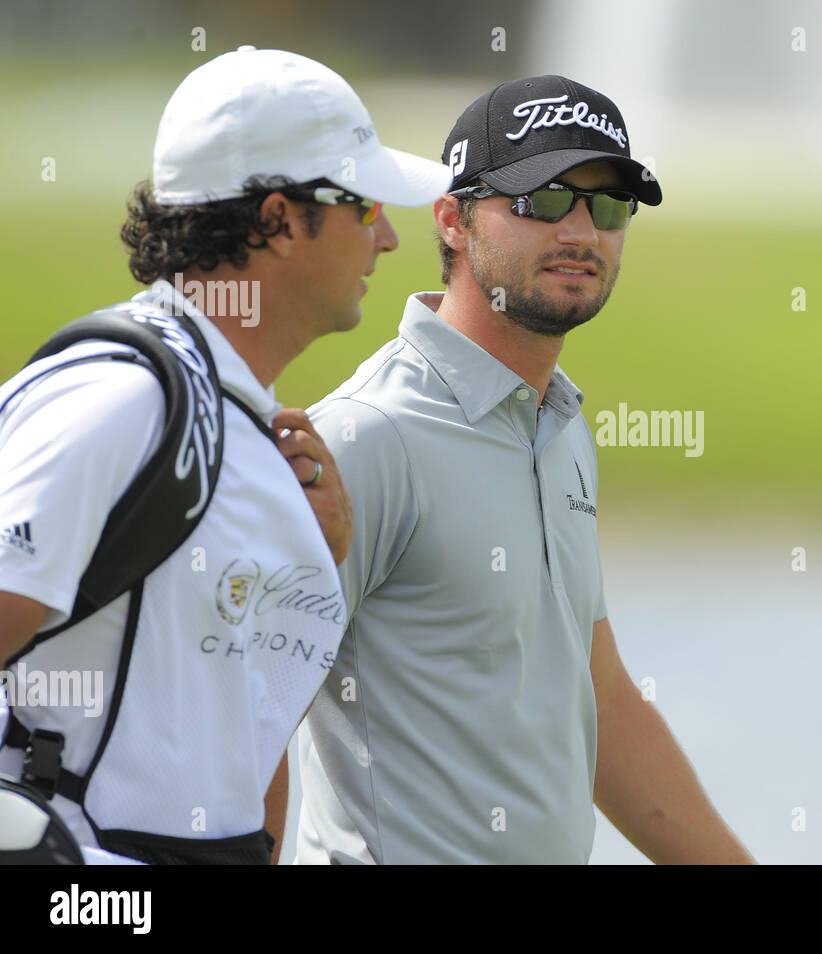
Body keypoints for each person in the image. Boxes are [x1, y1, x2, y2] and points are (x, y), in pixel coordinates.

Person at [0, 46, 451, 864]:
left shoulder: (236, 411)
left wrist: (318, 562)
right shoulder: (123, 399)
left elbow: (240, 749)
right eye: (364, 204)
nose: (386, 237)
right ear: (279, 220)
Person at [296, 75, 755, 864]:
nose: (582, 230)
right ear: (451, 217)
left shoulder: (561, 427)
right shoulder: (367, 438)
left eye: (607, 205)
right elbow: (243, 710)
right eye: (543, 199)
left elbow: (599, 697)